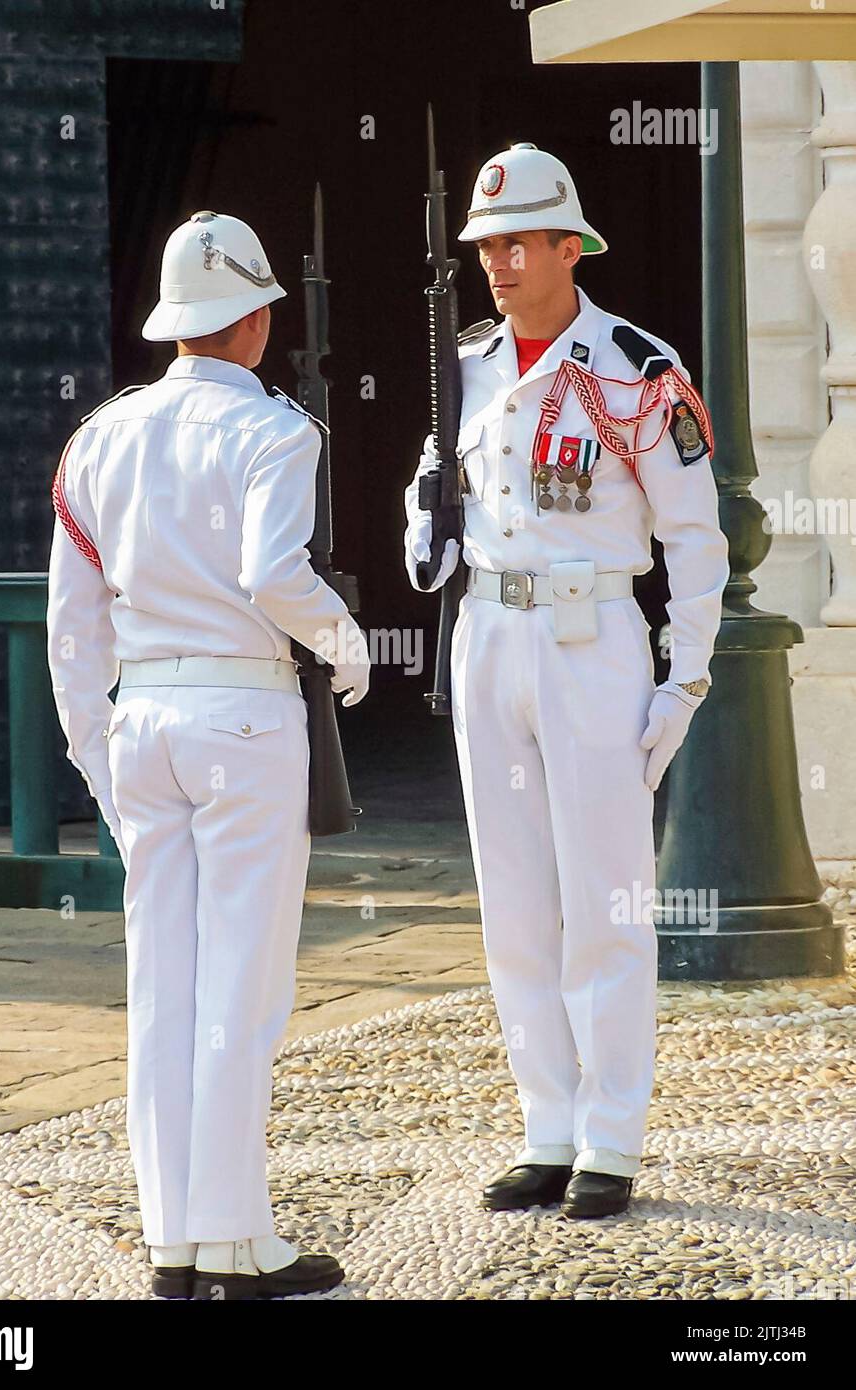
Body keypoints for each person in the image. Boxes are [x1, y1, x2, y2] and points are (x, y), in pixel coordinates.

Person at [47, 210, 369, 1297]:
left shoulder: (99, 434)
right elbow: (275, 575)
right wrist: (345, 638)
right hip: (242, 716)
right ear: (258, 319)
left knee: (162, 985)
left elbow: (72, 626)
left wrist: (99, 754)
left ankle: (172, 1243)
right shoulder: (279, 433)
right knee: (242, 982)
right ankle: (239, 1242)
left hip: (144, 721)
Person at [404, 144, 729, 1218]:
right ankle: (544, 1124)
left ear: (565, 246)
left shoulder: (635, 368)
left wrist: (682, 680)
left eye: (512, 243)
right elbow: (440, 498)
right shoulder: (464, 366)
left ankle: (611, 1138)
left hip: (593, 643)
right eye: (482, 247)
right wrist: (425, 532)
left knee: (606, 902)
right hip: (489, 636)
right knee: (514, 904)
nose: (493, 262)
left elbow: (693, 538)